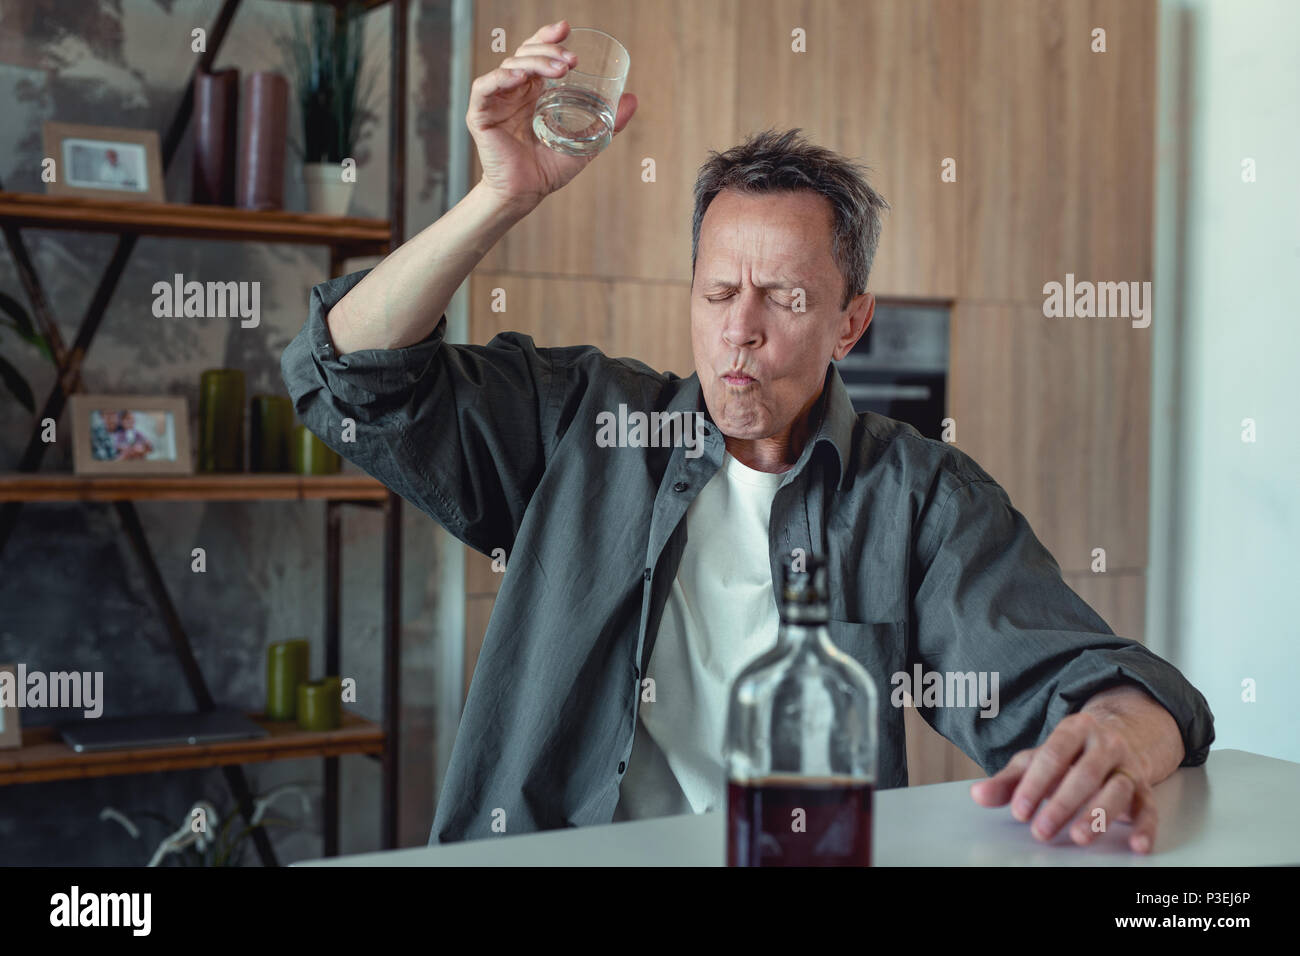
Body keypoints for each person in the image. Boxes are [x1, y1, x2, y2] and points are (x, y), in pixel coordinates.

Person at [282, 20, 1213, 852]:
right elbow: (346, 372)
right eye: (718, 294)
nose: (740, 330)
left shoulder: (918, 498)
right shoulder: (579, 423)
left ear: (851, 324)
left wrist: (1122, 730)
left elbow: (1095, 681)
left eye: (787, 299)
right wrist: (501, 197)